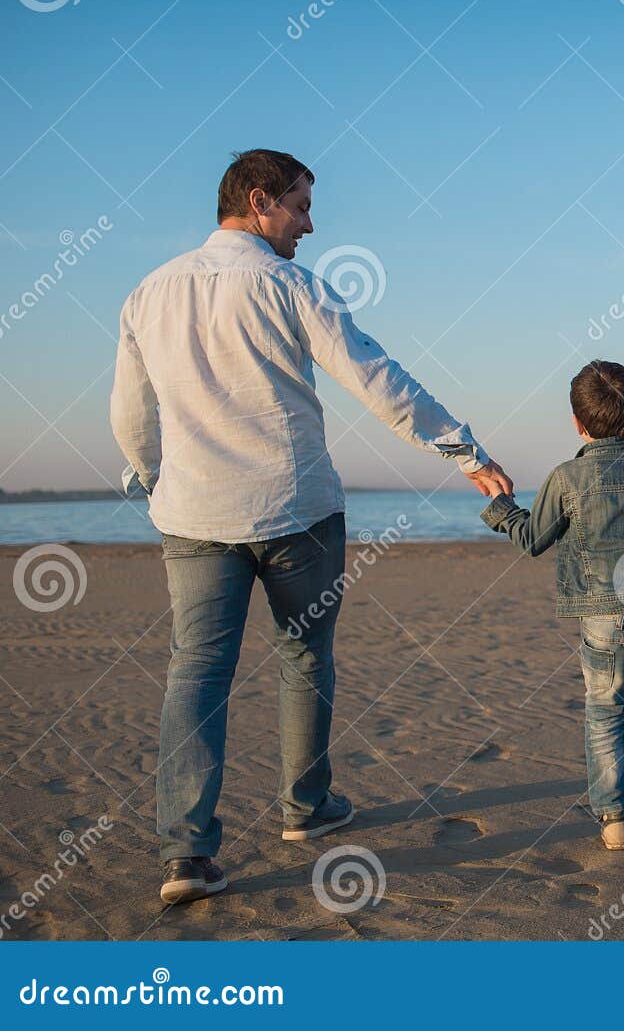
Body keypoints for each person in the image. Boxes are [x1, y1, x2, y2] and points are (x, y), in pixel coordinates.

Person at [110, 148, 513, 905]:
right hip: (296, 508)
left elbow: (133, 411)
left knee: (195, 671)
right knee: (303, 657)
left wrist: (147, 472)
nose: (309, 223)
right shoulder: (288, 284)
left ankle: (187, 856)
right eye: (299, 206)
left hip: (193, 513)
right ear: (258, 202)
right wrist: (462, 448)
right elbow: (376, 377)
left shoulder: (148, 292)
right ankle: (306, 808)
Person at [479, 360, 624, 874]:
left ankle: (614, 822)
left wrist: (501, 506)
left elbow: (533, 539)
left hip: (599, 620)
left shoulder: (567, 477)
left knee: (604, 715)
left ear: (577, 422)